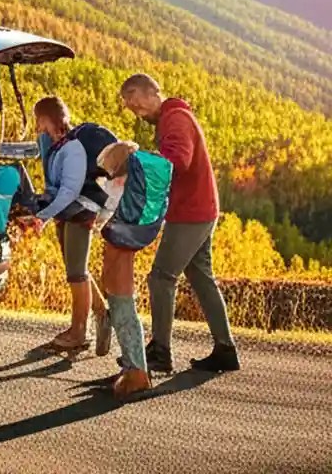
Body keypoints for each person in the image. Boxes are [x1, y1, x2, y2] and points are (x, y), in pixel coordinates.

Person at [120, 73, 239, 373]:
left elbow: (178, 161)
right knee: (200, 277)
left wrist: (136, 161)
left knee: (161, 277)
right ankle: (225, 350)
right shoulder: (173, 117)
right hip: (200, 209)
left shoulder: (174, 119)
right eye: (131, 107)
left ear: (152, 92)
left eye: (137, 103)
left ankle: (160, 352)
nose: (136, 111)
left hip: (191, 213)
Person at [24, 96, 109, 355]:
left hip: (81, 210)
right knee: (75, 266)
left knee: (76, 272)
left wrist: (43, 216)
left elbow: (70, 191)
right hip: (65, 210)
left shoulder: (73, 147)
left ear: (49, 117)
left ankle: (78, 332)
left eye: (39, 118)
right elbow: (54, 185)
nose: (37, 125)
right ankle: (102, 313)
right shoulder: (51, 142)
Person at [94, 140, 173, 398]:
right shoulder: (136, 188)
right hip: (133, 233)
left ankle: (136, 372)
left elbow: (103, 212)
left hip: (122, 237)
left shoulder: (120, 184)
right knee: (120, 295)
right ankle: (133, 367)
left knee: (121, 297)